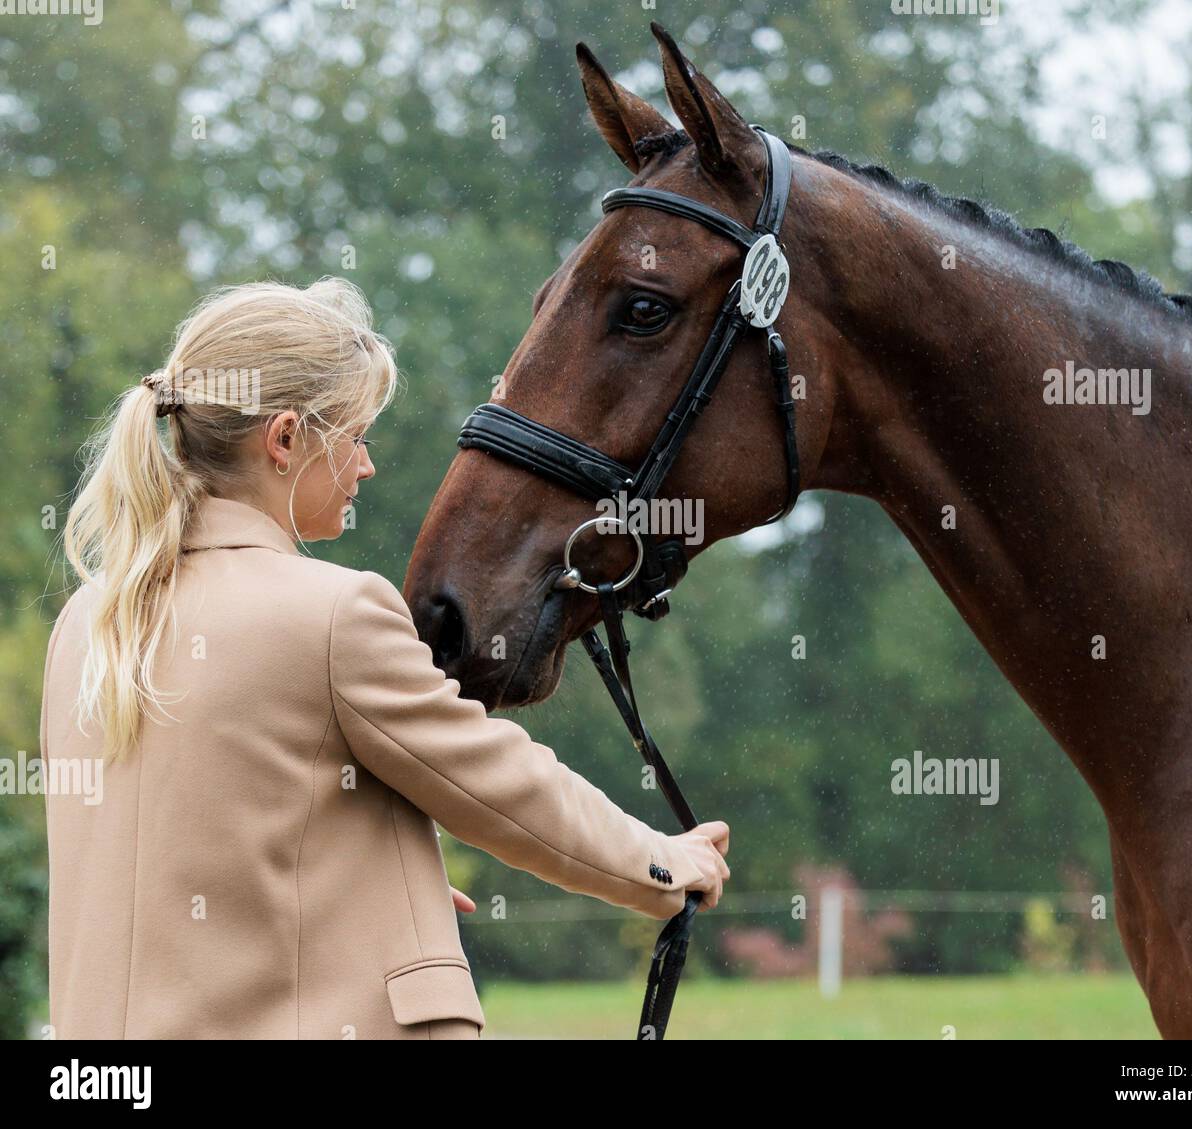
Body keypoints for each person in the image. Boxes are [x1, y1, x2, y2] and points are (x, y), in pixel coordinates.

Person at [41, 277, 730, 1039]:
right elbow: (503, 788)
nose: (365, 466)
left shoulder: (86, 620)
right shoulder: (331, 611)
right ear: (286, 439)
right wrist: (665, 862)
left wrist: (369, 867)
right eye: (357, 435)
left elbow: (199, 842)